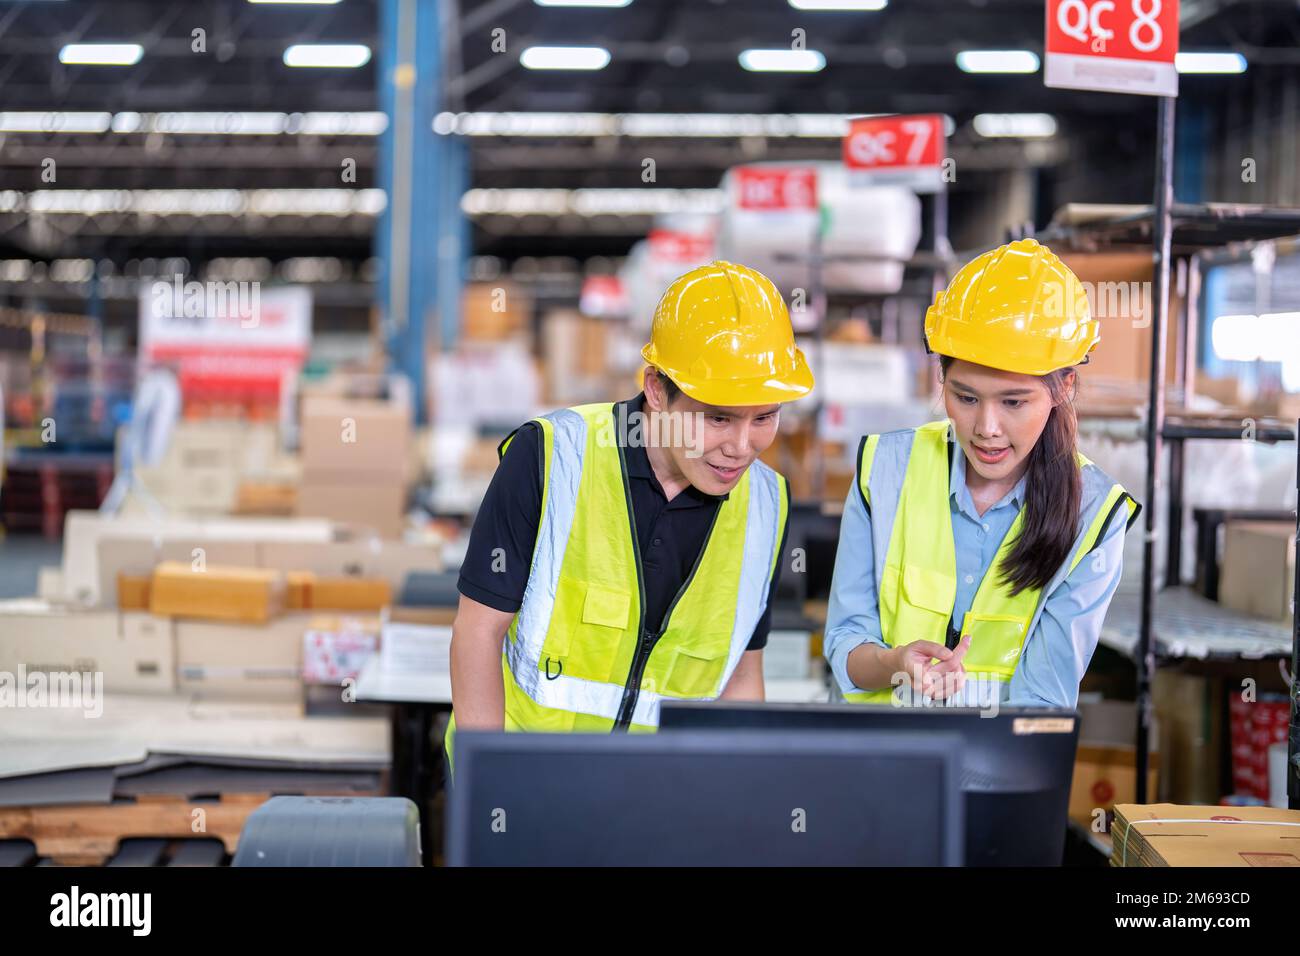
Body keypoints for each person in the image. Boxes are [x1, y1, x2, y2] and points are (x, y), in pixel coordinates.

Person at [448, 260, 813, 759]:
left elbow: (743, 674)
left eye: (765, 417)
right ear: (657, 391)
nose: (742, 447)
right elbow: (477, 633)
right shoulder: (554, 457)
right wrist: (485, 786)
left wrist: (735, 801)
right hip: (528, 785)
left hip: (658, 804)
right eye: (719, 418)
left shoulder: (767, 505)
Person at [824, 238, 1139, 708]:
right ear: (942, 380)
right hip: (876, 761)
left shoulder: (1094, 515)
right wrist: (895, 663)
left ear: (1063, 387)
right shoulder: (885, 471)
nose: (987, 430)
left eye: (1013, 402)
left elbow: (1044, 698)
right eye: (966, 398)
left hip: (1001, 769)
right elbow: (846, 643)